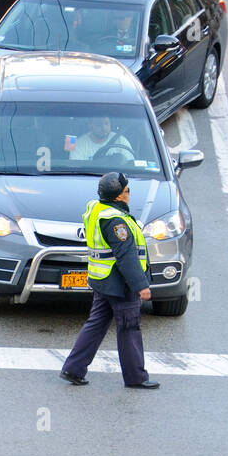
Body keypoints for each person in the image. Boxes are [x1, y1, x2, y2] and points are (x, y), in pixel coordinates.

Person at [59, 172, 156, 389]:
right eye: (127, 190)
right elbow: (126, 257)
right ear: (119, 196)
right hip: (120, 283)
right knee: (129, 327)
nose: (129, 194)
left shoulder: (98, 209)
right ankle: (136, 378)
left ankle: (73, 369)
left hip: (102, 280)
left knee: (96, 324)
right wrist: (141, 286)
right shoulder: (116, 221)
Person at [69, 114, 133, 162]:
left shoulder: (121, 141)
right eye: (99, 124)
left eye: (106, 123)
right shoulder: (79, 144)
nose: (104, 128)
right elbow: (76, 170)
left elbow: (130, 164)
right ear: (90, 125)